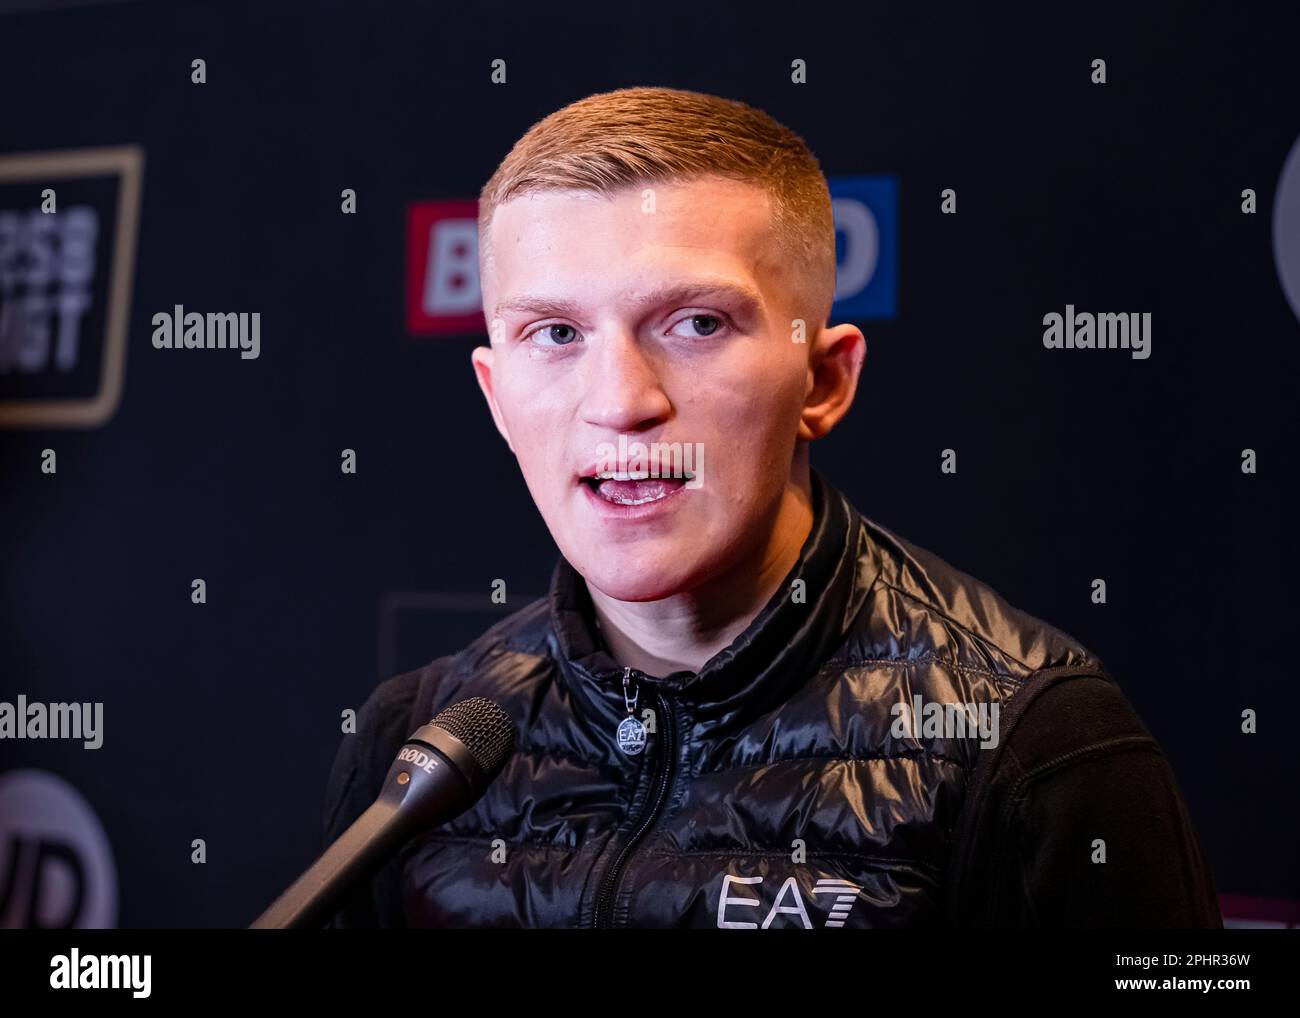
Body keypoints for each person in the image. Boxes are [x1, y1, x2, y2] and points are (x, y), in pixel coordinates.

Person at [323, 86, 1221, 928]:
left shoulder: (1035, 745)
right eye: (555, 333)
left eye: (696, 324)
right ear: (495, 397)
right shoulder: (411, 746)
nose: (621, 401)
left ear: (822, 381)